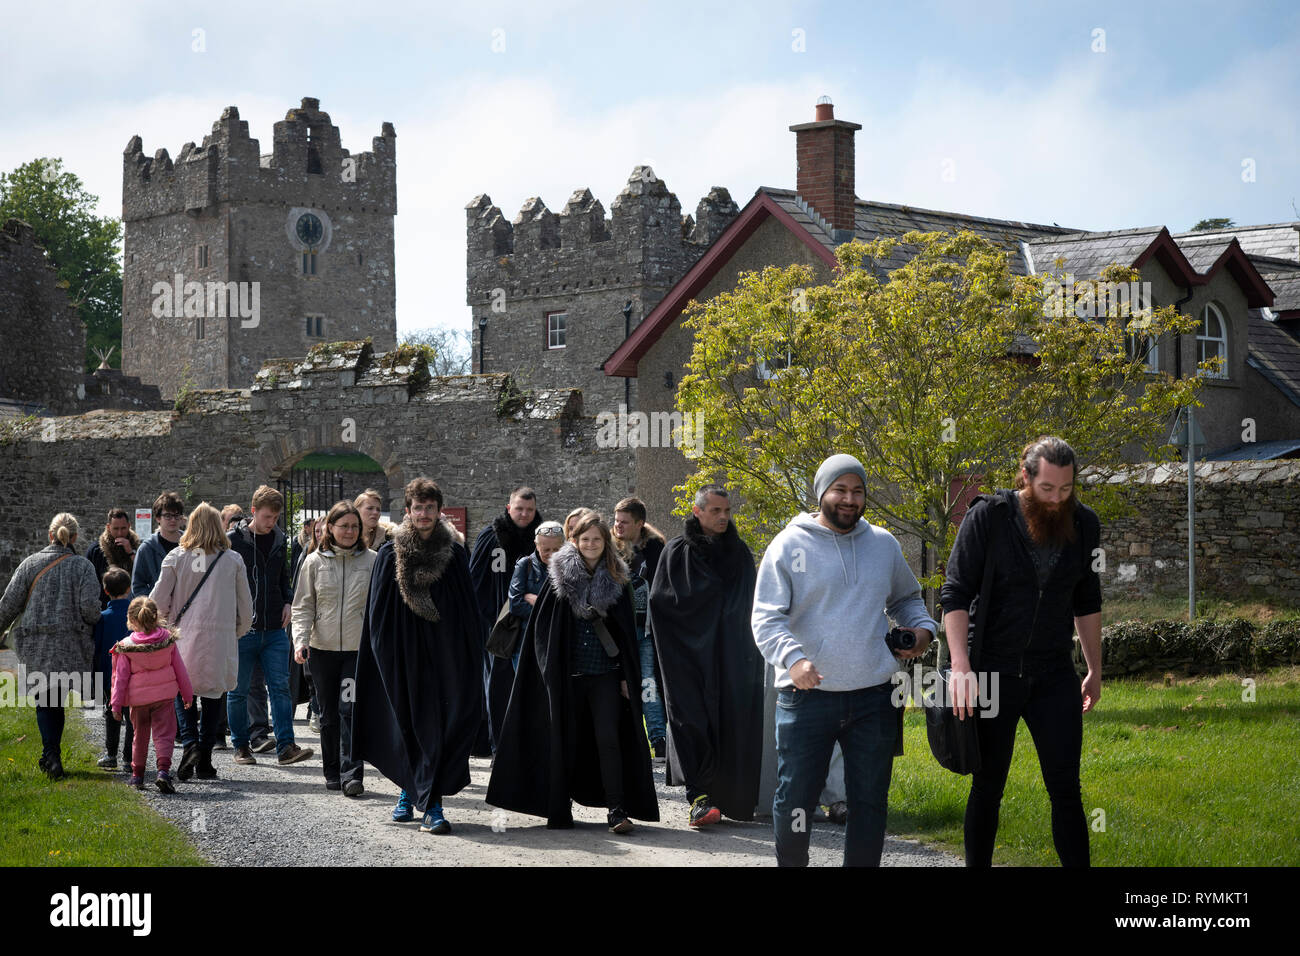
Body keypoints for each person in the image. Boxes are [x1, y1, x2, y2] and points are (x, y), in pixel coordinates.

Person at [752, 454, 938, 867]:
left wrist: (923, 630)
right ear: (821, 492)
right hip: (807, 697)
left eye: (857, 491)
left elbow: (907, 598)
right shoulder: (788, 544)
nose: (849, 499)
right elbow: (766, 616)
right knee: (796, 800)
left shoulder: (883, 544)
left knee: (869, 801)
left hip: (874, 696)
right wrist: (793, 659)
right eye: (840, 489)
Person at [940, 435, 1103, 868]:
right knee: (988, 785)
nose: (1056, 499)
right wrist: (960, 666)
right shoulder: (988, 518)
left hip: (1053, 675)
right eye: (1047, 489)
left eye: (1066, 489)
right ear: (1025, 477)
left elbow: (1087, 600)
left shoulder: (1085, 524)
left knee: (1066, 788)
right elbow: (954, 594)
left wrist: (1093, 669)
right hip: (992, 672)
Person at [487, 511, 658, 833]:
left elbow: (625, 635)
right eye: (585, 539)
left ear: (605, 542)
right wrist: (546, 671)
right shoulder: (558, 580)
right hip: (566, 676)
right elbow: (543, 630)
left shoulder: (618, 580)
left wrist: (625, 677)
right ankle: (559, 805)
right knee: (562, 740)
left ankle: (617, 809)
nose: (591, 544)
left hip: (605, 674)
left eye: (596, 539)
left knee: (609, 740)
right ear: (575, 542)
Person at [352, 477, 483, 834]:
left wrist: (467, 656)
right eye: (417, 508)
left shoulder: (455, 554)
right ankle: (414, 795)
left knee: (440, 724)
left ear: (439, 510)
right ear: (407, 511)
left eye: (429, 507)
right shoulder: (391, 555)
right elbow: (378, 613)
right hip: (402, 654)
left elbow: (467, 611)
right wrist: (384, 656)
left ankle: (430, 801)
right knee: (406, 722)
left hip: (444, 656)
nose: (423, 514)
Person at [649, 485, 762, 827]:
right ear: (697, 512)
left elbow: (752, 603)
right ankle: (698, 796)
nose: (724, 517)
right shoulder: (676, 552)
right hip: (687, 659)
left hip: (733, 655)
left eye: (727, 511)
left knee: (732, 720)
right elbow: (662, 604)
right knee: (692, 720)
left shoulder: (739, 554)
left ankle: (730, 796)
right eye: (716, 511)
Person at [151, 502, 253, 781]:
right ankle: (205, 760)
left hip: (182, 637)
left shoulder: (176, 557)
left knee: (182, 693)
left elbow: (157, 601)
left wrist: (161, 630)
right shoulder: (232, 560)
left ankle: (190, 742)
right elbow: (246, 605)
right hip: (220, 638)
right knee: (213, 697)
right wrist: (240, 630)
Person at [0, 513, 101, 779]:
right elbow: (90, 611)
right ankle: (51, 755)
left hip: (36, 644)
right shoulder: (83, 567)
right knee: (56, 698)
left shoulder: (29, 564)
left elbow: (8, 605)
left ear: (49, 535)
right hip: (70, 644)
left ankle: (51, 755)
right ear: (75, 538)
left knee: (46, 700)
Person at [292, 501, 376, 796]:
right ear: (330, 528)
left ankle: (352, 774)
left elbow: (378, 609)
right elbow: (303, 606)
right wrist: (300, 641)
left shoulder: (372, 561)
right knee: (327, 714)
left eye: (355, 526)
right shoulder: (314, 562)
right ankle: (332, 771)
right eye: (344, 526)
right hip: (322, 649)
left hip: (356, 652)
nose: (350, 531)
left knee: (349, 709)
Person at [225, 486, 313, 767]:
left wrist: (288, 601)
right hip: (243, 630)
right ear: (253, 512)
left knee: (281, 687)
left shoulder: (279, 538)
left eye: (275, 517)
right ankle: (241, 746)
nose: (271, 522)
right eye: (266, 517)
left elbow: (283, 578)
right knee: (238, 691)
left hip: (275, 628)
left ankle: (286, 747)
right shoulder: (232, 541)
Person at [469, 486, 543, 753]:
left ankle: (530, 743)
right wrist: (491, 617)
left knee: (533, 684)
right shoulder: (491, 537)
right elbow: (475, 581)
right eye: (519, 508)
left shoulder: (542, 538)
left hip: (535, 623)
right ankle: (500, 746)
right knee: (498, 685)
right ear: (508, 507)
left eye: (529, 509)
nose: (524, 514)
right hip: (499, 625)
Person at [110, 596, 194, 793]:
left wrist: (116, 705)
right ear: (156, 617)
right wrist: (187, 695)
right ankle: (163, 772)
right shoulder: (167, 640)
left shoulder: (126, 646)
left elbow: (119, 679)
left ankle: (137, 775)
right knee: (164, 735)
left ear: (131, 620)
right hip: (164, 697)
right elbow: (180, 669)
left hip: (138, 701)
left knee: (139, 736)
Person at [612, 497, 668, 758]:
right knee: (616, 683)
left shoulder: (656, 550)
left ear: (639, 523)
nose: (618, 526)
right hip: (617, 629)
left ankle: (658, 738)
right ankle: (622, 739)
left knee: (648, 682)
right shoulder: (610, 547)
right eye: (616, 521)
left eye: (624, 522)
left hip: (644, 630)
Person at [506, 521, 564, 670]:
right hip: (526, 641)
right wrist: (550, 611)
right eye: (546, 549)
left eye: (556, 549)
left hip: (557, 641)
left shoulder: (569, 568)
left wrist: (537, 602)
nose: (551, 554)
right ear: (536, 545)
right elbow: (516, 605)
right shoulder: (524, 565)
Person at [93, 568, 135, 770]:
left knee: (112, 712)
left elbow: (98, 648)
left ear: (105, 590)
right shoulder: (136, 617)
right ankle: (129, 757)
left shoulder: (102, 618)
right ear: (129, 589)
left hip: (110, 676)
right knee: (132, 716)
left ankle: (111, 754)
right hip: (135, 674)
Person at [131, 492, 185, 597]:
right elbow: (137, 586)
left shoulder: (192, 545)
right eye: (168, 516)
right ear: (158, 518)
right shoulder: (146, 549)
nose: (173, 520)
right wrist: (154, 605)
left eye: (176, 515)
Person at [85, 508, 139, 609]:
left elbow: (143, 572)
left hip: (132, 607)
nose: (119, 533)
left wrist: (131, 552)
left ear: (129, 526)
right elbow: (88, 583)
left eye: (123, 528)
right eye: (115, 529)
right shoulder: (96, 550)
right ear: (108, 527)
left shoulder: (138, 547)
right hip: (105, 607)